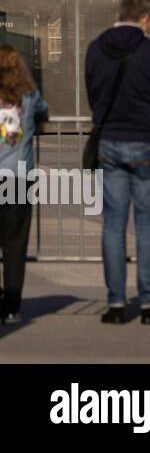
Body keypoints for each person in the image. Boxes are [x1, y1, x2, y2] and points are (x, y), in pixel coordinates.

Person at [85, 0, 150, 325]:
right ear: (143, 18)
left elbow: (93, 92)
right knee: (147, 225)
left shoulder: (96, 49)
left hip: (109, 140)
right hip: (147, 142)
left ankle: (116, 303)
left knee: (112, 224)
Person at [0, 45, 48, 324]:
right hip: (17, 178)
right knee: (15, 246)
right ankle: (12, 306)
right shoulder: (29, 98)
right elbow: (44, 111)